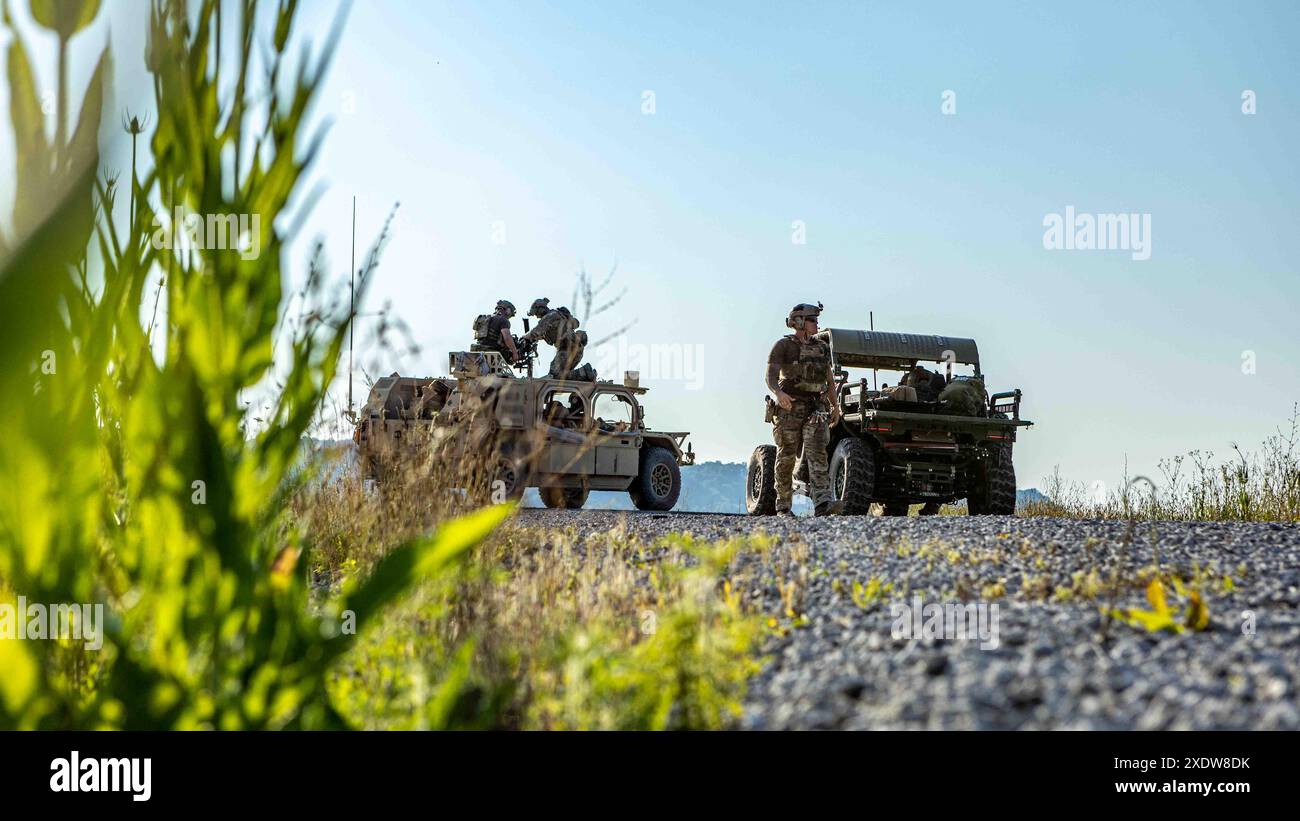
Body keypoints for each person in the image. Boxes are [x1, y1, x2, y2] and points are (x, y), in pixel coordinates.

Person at [766, 302, 844, 517]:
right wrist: (779, 394)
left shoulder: (821, 347)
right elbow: (770, 376)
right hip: (789, 407)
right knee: (787, 456)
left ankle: (823, 504)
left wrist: (835, 406)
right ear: (798, 322)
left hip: (815, 408)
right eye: (812, 319)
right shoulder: (783, 346)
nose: (816, 323)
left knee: (818, 454)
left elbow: (828, 378)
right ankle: (783, 506)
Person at [522, 297, 592, 380]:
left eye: (536, 313)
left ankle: (584, 373)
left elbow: (535, 332)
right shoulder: (554, 318)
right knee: (560, 378)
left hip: (568, 349)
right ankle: (585, 373)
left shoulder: (550, 316)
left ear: (541, 309)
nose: (537, 316)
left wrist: (524, 338)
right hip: (574, 349)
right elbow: (542, 335)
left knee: (554, 375)